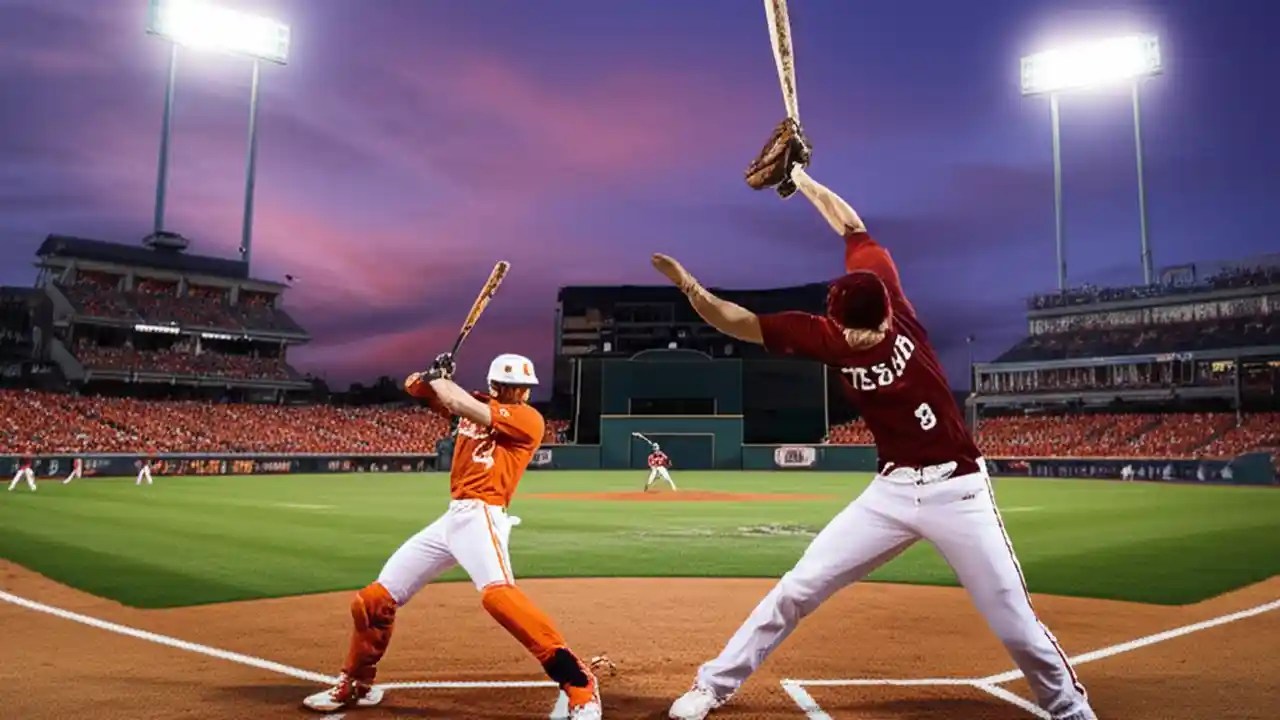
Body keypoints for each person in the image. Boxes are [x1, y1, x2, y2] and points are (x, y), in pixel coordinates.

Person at [652, 120, 1095, 720]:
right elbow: (739, 321)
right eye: (861, 330)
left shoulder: (890, 295)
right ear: (836, 321)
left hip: (958, 489)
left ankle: (1070, 710)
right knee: (797, 590)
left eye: (881, 323)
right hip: (888, 492)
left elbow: (850, 226)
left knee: (1014, 623)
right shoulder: (821, 335)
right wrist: (693, 290)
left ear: (891, 305)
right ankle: (712, 686)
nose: (876, 335)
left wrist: (802, 179)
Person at [302, 352, 602, 719]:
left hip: (484, 515)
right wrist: (433, 373)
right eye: (512, 387)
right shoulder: (474, 403)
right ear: (496, 386)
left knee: (500, 600)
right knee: (373, 601)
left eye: (523, 388)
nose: (519, 393)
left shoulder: (527, 419)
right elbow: (414, 387)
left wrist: (444, 382)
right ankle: (358, 682)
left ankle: (580, 684)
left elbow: (458, 402)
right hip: (453, 518)